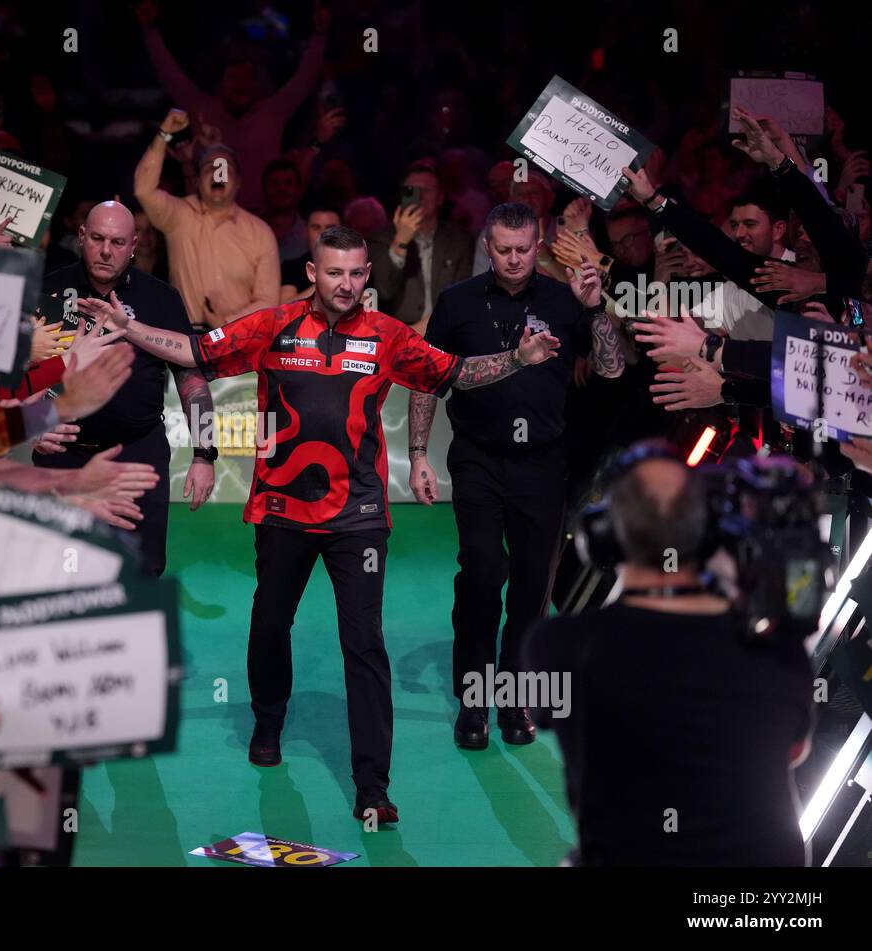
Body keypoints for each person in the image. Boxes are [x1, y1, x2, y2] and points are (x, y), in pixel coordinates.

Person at [77, 224, 561, 822]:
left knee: (365, 645)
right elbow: (195, 352)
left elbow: (454, 372)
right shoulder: (272, 326)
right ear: (313, 272)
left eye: (358, 273)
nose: (347, 284)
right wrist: (130, 329)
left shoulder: (387, 336)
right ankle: (269, 721)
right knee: (269, 625)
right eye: (335, 272)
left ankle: (373, 787)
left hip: (358, 517)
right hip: (281, 510)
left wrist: (516, 358)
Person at [525, 443, 813, 866]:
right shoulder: (777, 647)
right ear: (711, 531)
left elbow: (543, 713)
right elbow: (795, 750)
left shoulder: (559, 645)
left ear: (603, 537)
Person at [408, 202, 625, 751]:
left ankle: (515, 696)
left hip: (545, 464)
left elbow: (611, 368)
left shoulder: (562, 299)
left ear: (538, 246)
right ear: (487, 244)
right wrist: (416, 455)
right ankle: (473, 699)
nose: (513, 259)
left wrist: (598, 311)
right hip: (478, 458)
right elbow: (427, 380)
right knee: (482, 572)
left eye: (523, 250)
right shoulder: (457, 303)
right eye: (503, 249)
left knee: (532, 588)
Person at [36, 200, 217, 576]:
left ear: (135, 244)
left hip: (138, 454)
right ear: (81, 237)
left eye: (118, 242)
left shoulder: (161, 297)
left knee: (141, 573)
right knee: (59, 576)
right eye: (97, 238)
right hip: (63, 456)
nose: (106, 251)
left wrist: (204, 454)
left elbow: (191, 378)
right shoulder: (47, 289)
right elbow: (17, 371)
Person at [134, 0, 329, 211]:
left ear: (258, 85)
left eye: (248, 78)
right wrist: (149, 29)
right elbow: (169, 75)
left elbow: (305, 79)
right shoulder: (201, 108)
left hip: (263, 219)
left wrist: (319, 34)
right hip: (208, 217)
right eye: (233, 77)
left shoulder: (273, 112)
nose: (241, 83)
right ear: (220, 85)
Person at [135, 110, 281, 330]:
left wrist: (226, 324)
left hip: (240, 339)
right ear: (198, 180)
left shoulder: (260, 232)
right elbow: (144, 189)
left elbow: (268, 300)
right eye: (209, 168)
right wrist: (164, 133)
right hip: (186, 339)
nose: (217, 173)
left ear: (239, 182)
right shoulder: (179, 214)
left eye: (224, 169)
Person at [368, 158, 474, 337]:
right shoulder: (381, 238)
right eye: (412, 190)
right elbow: (383, 291)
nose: (421, 196)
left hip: (448, 331)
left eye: (427, 190)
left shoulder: (458, 239)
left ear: (440, 197)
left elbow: (463, 296)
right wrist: (400, 241)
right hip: (399, 335)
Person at [278, 198, 340, 301]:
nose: (323, 234)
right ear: (306, 231)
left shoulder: (358, 267)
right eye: (316, 227)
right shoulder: (291, 268)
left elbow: (367, 309)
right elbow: (285, 310)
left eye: (330, 228)